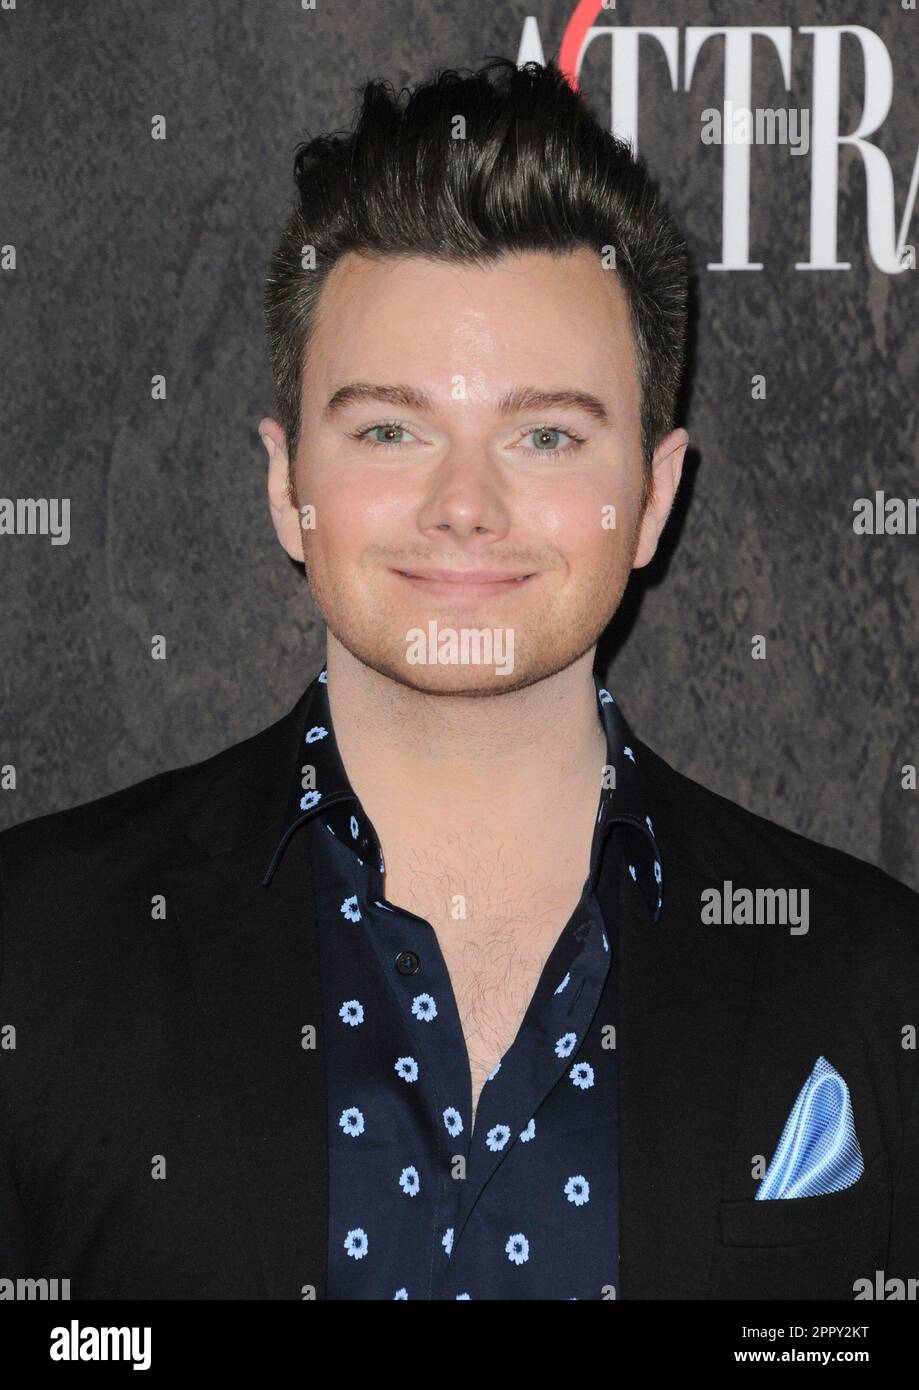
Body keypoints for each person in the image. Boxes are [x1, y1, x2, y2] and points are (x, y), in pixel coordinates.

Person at [1, 57, 916, 1302]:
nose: (464, 507)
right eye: (390, 428)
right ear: (287, 484)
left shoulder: (870, 977)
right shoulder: (33, 952)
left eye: (545, 435)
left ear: (651, 495)